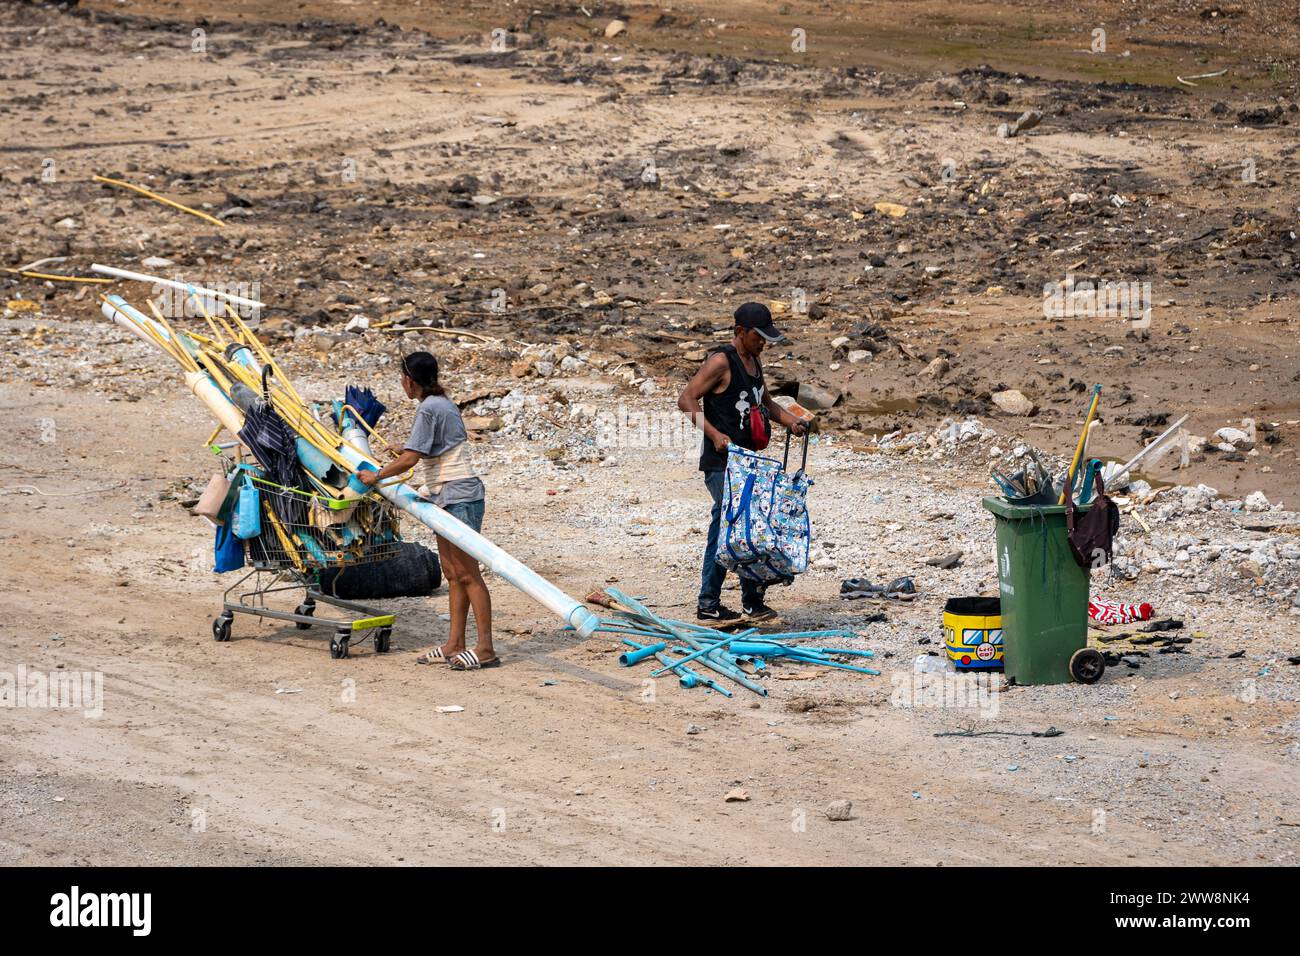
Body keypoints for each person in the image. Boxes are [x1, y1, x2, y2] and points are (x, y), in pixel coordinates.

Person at [354, 351, 496, 670]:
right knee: (453, 573)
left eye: (401, 379)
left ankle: (485, 648)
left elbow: (411, 460)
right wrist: (401, 449)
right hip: (445, 496)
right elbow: (422, 449)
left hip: (459, 496)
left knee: (469, 574)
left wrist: (375, 475)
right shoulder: (438, 403)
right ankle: (454, 644)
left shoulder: (429, 408)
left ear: (409, 380)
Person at [677, 302, 811, 622]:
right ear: (740, 332)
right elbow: (686, 399)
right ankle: (709, 603)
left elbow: (766, 403)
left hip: (749, 464)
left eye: (766, 337)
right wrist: (713, 434)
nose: (763, 342)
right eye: (758, 336)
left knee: (750, 526)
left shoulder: (754, 361)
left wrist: (790, 421)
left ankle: (749, 601)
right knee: (734, 526)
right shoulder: (721, 361)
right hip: (722, 464)